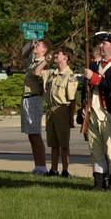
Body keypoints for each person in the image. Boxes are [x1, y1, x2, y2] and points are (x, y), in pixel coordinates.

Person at [84, 31, 111, 190]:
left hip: (109, 112)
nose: (101, 46)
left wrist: (95, 78)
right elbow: (85, 89)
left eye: (104, 43)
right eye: (101, 43)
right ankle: (99, 182)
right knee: (96, 150)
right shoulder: (95, 65)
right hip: (93, 112)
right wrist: (84, 106)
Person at [42, 46, 78, 177]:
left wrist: (70, 116)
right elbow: (37, 72)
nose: (56, 55)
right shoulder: (52, 73)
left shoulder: (70, 76)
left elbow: (72, 99)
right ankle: (53, 169)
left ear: (66, 57)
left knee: (63, 143)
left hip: (62, 109)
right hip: (51, 110)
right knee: (53, 143)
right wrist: (47, 59)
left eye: (58, 53)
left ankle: (65, 170)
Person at [21, 38, 49, 175]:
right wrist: (31, 43)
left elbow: (37, 73)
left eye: (38, 45)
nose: (35, 46)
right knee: (30, 135)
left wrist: (46, 59)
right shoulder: (32, 60)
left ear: (44, 50)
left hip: (34, 98)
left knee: (36, 134)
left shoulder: (43, 63)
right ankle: (37, 165)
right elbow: (23, 54)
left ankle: (42, 166)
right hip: (26, 98)